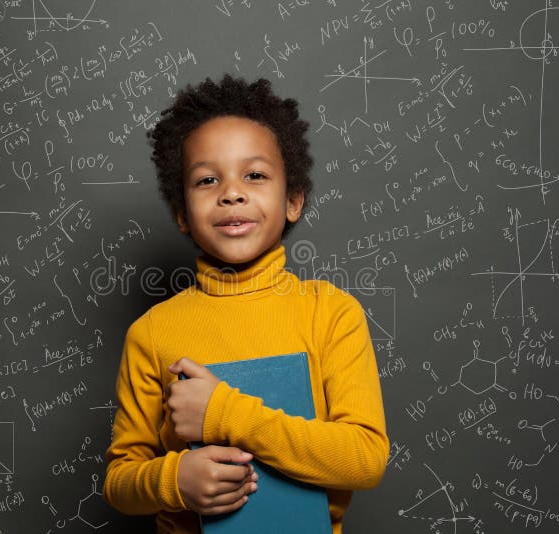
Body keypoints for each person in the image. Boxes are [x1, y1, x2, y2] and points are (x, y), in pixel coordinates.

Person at [102, 74, 389, 533]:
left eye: (254, 175)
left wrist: (224, 413)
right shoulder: (151, 333)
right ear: (182, 214)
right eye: (207, 179)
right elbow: (120, 482)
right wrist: (174, 480)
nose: (231, 192)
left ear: (293, 200)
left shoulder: (331, 313)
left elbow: (365, 459)